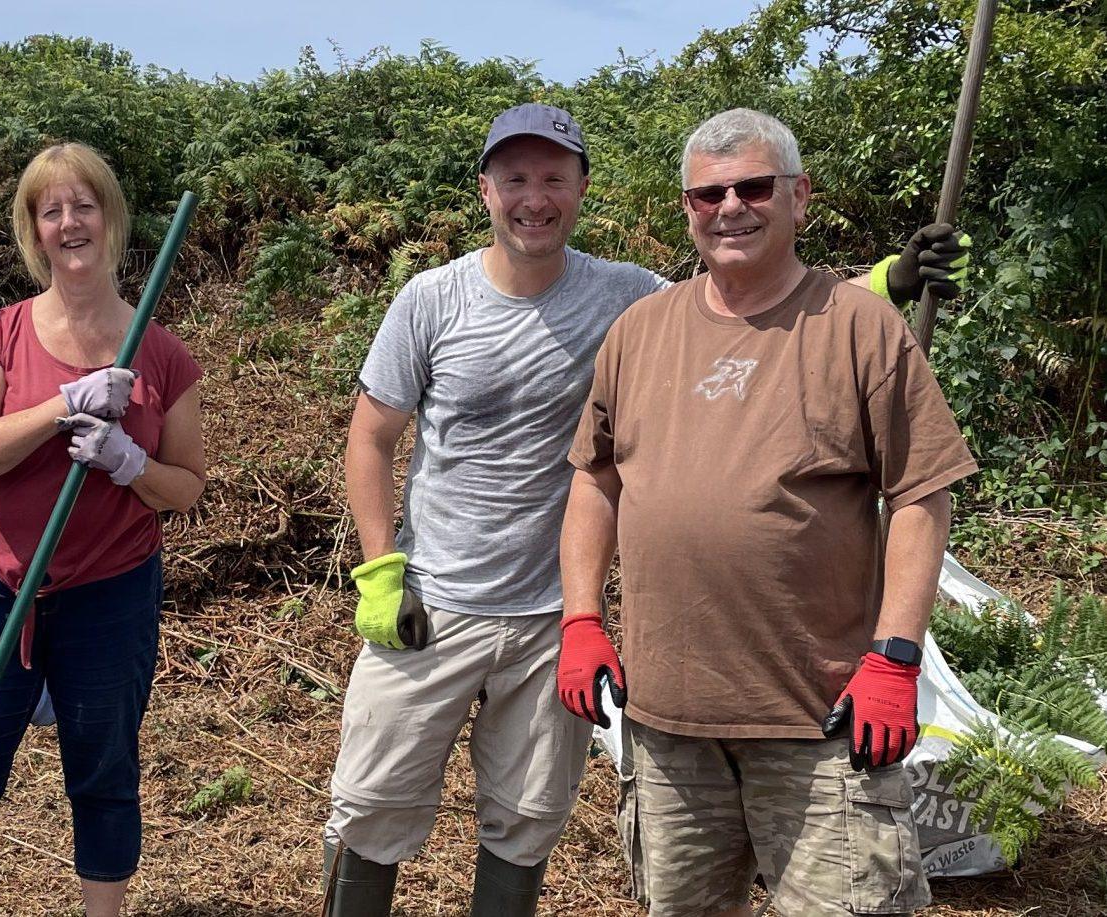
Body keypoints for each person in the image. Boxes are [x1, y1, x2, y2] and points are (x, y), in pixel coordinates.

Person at [326, 102, 968, 916]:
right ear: (485, 189)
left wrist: (891, 282)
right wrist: (380, 570)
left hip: (551, 620)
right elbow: (372, 437)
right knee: (374, 802)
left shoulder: (626, 299)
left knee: (524, 820)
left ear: (582, 187)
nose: (535, 196)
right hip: (436, 602)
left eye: (554, 177)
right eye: (515, 177)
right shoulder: (438, 301)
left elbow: (761, 304)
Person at [558, 108, 976, 917]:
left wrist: (894, 658)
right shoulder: (640, 331)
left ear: (798, 198)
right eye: (707, 194)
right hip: (669, 728)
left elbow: (923, 493)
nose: (730, 208)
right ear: (687, 207)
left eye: (754, 187)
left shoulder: (860, 327)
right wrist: (581, 620)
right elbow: (594, 481)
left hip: (820, 728)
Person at [0, 142, 205, 917]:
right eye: (52, 210)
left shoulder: (164, 352)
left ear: (111, 217)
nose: (70, 221)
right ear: (33, 230)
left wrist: (127, 459)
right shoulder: (2, 333)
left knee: (103, 766)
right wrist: (61, 408)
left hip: (112, 594)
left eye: (85, 205)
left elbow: (185, 487)